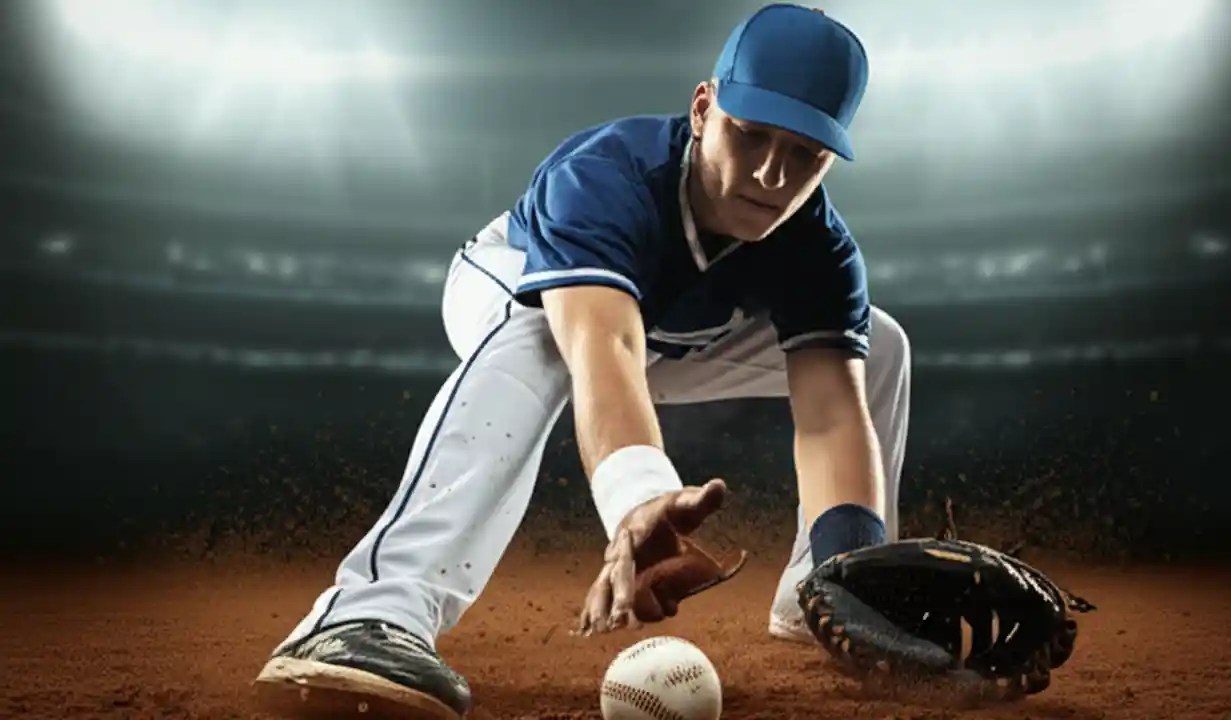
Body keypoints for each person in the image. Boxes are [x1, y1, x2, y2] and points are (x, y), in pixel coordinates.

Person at [251, 4, 911, 719]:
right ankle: (368, 615)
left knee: (880, 346)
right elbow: (604, 348)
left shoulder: (820, 248)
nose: (773, 175)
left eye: (806, 154)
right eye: (751, 135)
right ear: (702, 108)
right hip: (522, 285)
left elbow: (830, 417)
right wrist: (638, 500)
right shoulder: (606, 176)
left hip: (674, 337)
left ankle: (824, 600)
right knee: (540, 337)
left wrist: (853, 566)